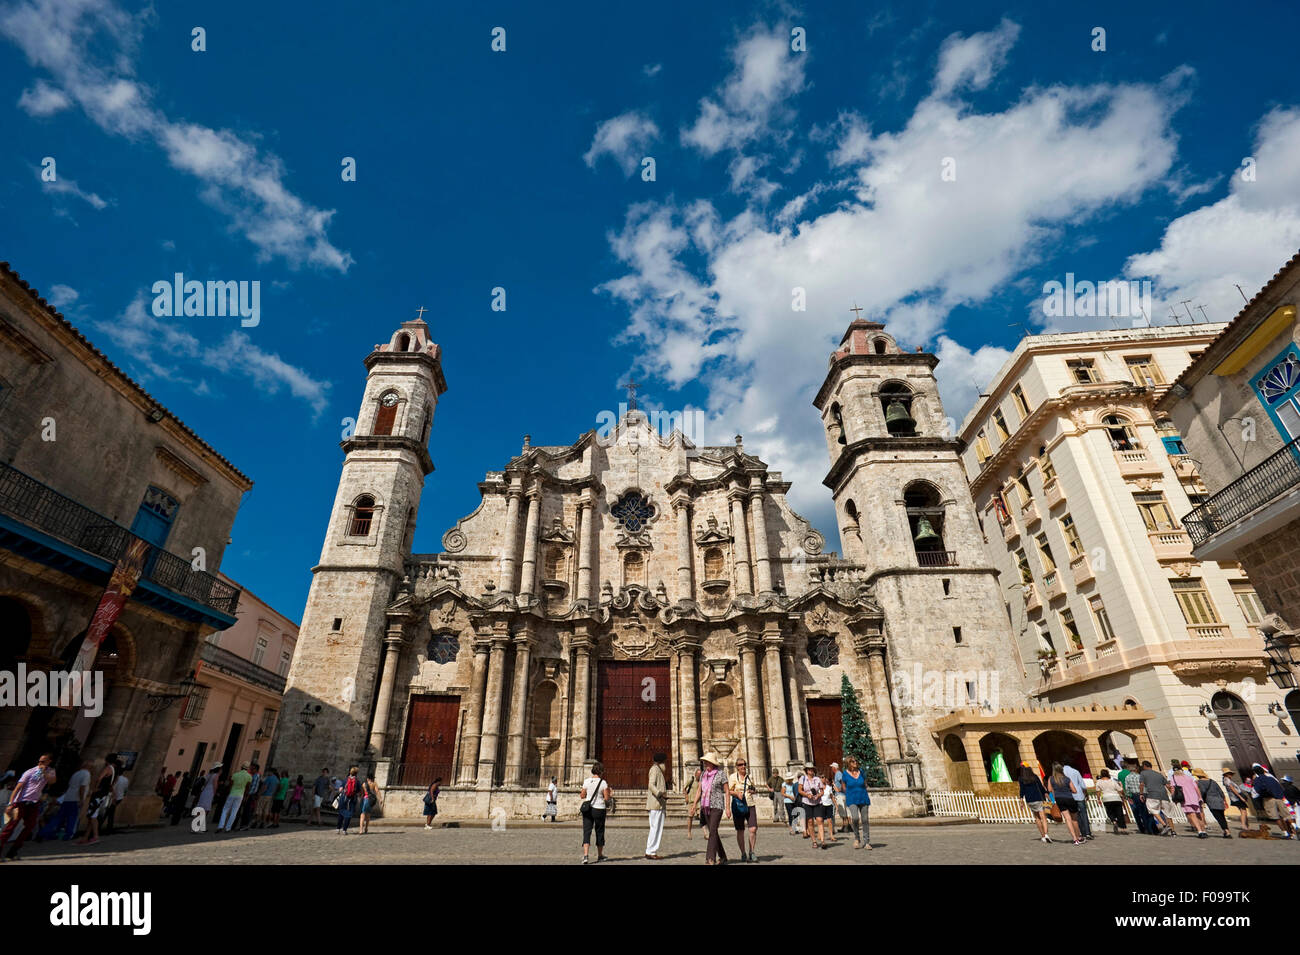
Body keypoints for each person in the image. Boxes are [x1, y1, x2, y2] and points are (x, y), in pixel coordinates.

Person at [0, 754, 56, 861]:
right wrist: (11, 804)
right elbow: (17, 788)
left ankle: (13, 852)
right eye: (39, 761)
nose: (40, 764)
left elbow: (52, 781)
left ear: (49, 761)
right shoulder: (30, 771)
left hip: (34, 803)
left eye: (43, 762)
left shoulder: (50, 771)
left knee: (29, 827)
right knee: (10, 827)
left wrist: (44, 772)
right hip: (21, 802)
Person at [41, 760, 91, 842]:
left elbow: (70, 786)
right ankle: (68, 835)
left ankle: (45, 832)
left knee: (59, 817)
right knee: (72, 818)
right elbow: (82, 787)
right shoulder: (86, 774)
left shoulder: (76, 773)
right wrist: (82, 799)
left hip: (68, 797)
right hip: (75, 799)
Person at [697, 752, 729, 865]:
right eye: (705, 762)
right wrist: (694, 805)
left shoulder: (721, 774)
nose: (705, 764)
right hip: (705, 806)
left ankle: (710, 858)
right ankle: (723, 857)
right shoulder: (703, 774)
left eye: (707, 762)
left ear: (712, 763)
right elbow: (699, 790)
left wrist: (728, 808)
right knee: (713, 832)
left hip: (717, 805)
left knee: (713, 831)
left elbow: (727, 791)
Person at [1248, 763, 1294, 838]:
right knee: (1286, 815)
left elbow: (1255, 793)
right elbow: (1279, 785)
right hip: (1279, 797)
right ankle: (1294, 829)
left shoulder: (1256, 779)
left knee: (1276, 817)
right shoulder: (1271, 777)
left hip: (1268, 799)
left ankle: (1285, 833)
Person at [728, 756, 759, 862]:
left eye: (744, 764)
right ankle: (743, 853)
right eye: (741, 765)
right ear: (737, 767)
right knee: (740, 830)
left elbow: (754, 788)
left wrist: (753, 791)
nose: (743, 766)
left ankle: (752, 851)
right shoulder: (732, 777)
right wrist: (736, 793)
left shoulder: (750, 777)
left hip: (750, 804)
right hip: (738, 805)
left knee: (753, 829)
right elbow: (728, 791)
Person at [579, 761, 610, 864]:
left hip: (588, 809)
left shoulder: (587, 781)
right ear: (601, 771)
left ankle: (585, 856)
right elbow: (606, 798)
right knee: (599, 831)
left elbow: (582, 796)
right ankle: (600, 855)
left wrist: (588, 792)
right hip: (599, 809)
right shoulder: (603, 783)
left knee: (587, 831)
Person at [840, 756, 872, 850]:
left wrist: (863, 791)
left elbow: (865, 784)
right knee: (855, 818)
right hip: (852, 799)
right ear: (848, 763)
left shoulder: (861, 772)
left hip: (863, 798)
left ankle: (866, 842)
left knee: (865, 820)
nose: (855, 762)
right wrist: (849, 794)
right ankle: (857, 838)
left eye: (856, 761)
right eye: (852, 761)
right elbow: (843, 787)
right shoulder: (845, 774)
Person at [1049, 762, 1084, 846]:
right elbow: (1074, 790)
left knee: (1067, 819)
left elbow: (1049, 790)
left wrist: (1055, 795)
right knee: (1074, 819)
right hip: (1069, 798)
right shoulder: (1067, 779)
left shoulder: (1051, 779)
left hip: (1059, 799)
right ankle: (1079, 836)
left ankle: (1074, 839)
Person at [1138, 760, 1176, 836]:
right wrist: (1172, 794)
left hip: (1152, 794)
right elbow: (1168, 785)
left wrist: (1141, 794)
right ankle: (1173, 831)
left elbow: (1141, 784)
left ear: (1144, 766)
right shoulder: (1159, 774)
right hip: (1163, 794)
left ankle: (1165, 825)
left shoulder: (1143, 773)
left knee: (1152, 809)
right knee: (1168, 814)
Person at [1192, 768, 1231, 839]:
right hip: (1219, 800)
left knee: (1218, 817)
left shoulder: (1198, 782)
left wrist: (1202, 801)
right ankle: (1227, 831)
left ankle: (1226, 832)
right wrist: (1224, 800)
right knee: (1222, 816)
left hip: (1211, 801)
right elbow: (1221, 792)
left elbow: (1202, 792)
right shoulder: (1212, 781)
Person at [1018, 763, 1051, 843]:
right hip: (1039, 798)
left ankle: (1042, 836)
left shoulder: (1021, 779)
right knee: (1043, 817)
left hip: (1030, 800)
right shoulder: (1034, 776)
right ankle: (1046, 834)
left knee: (1037, 818)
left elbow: (1022, 790)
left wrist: (1021, 800)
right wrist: (1047, 795)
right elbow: (1040, 787)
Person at [1171, 765, 1207, 837]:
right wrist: (1200, 797)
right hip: (1194, 797)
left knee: (1192, 814)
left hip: (1185, 798)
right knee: (1198, 814)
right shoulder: (1188, 777)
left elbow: (1173, 789)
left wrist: (1174, 798)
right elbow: (1196, 787)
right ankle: (1204, 831)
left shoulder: (1173, 778)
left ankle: (1199, 831)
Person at [644, 753, 668, 860]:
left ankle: (650, 850)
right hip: (656, 804)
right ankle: (651, 852)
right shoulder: (655, 770)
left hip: (658, 804)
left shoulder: (658, 770)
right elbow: (651, 785)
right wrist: (660, 793)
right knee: (655, 828)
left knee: (655, 828)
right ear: (661, 761)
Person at [798, 764, 828, 848]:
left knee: (820, 820)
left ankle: (822, 841)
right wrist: (807, 795)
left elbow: (822, 791)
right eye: (809, 769)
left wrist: (818, 795)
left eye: (812, 769)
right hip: (807, 802)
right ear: (806, 770)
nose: (811, 771)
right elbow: (799, 790)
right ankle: (814, 841)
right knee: (810, 822)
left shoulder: (817, 779)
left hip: (817, 802)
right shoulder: (802, 779)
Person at [1062, 761, 1092, 840]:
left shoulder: (1062, 773)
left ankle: (1081, 832)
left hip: (1069, 796)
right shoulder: (1075, 771)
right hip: (1079, 795)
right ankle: (1087, 833)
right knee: (1084, 814)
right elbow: (1082, 785)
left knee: (1075, 816)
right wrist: (1086, 793)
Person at [1095, 770, 1127, 835]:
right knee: (1119, 813)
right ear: (1108, 774)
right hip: (1116, 798)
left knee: (1109, 812)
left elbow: (1098, 792)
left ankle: (1114, 821)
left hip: (1106, 799)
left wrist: (1098, 799)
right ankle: (1123, 828)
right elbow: (1120, 790)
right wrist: (1123, 795)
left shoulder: (1098, 782)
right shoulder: (1113, 781)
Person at [336, 767, 361, 834]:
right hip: (352, 799)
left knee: (341, 813)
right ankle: (344, 830)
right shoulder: (357, 781)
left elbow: (340, 789)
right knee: (348, 814)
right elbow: (358, 793)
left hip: (344, 798)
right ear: (356, 773)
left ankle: (338, 829)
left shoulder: (346, 779)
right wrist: (359, 800)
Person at [830, 762, 850, 834]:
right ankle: (845, 826)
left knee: (842, 811)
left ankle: (845, 827)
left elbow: (842, 782)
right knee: (843, 811)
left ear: (834, 768)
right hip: (841, 794)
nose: (831, 769)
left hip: (840, 795)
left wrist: (840, 789)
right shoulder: (838, 774)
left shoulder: (838, 774)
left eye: (832, 767)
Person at [684, 768, 701, 840]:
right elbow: (684, 788)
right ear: (695, 774)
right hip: (691, 801)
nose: (699, 776)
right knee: (690, 817)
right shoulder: (691, 780)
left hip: (699, 802)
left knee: (702, 817)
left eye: (700, 775)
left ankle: (706, 833)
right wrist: (686, 797)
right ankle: (689, 832)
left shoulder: (701, 781)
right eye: (698, 775)